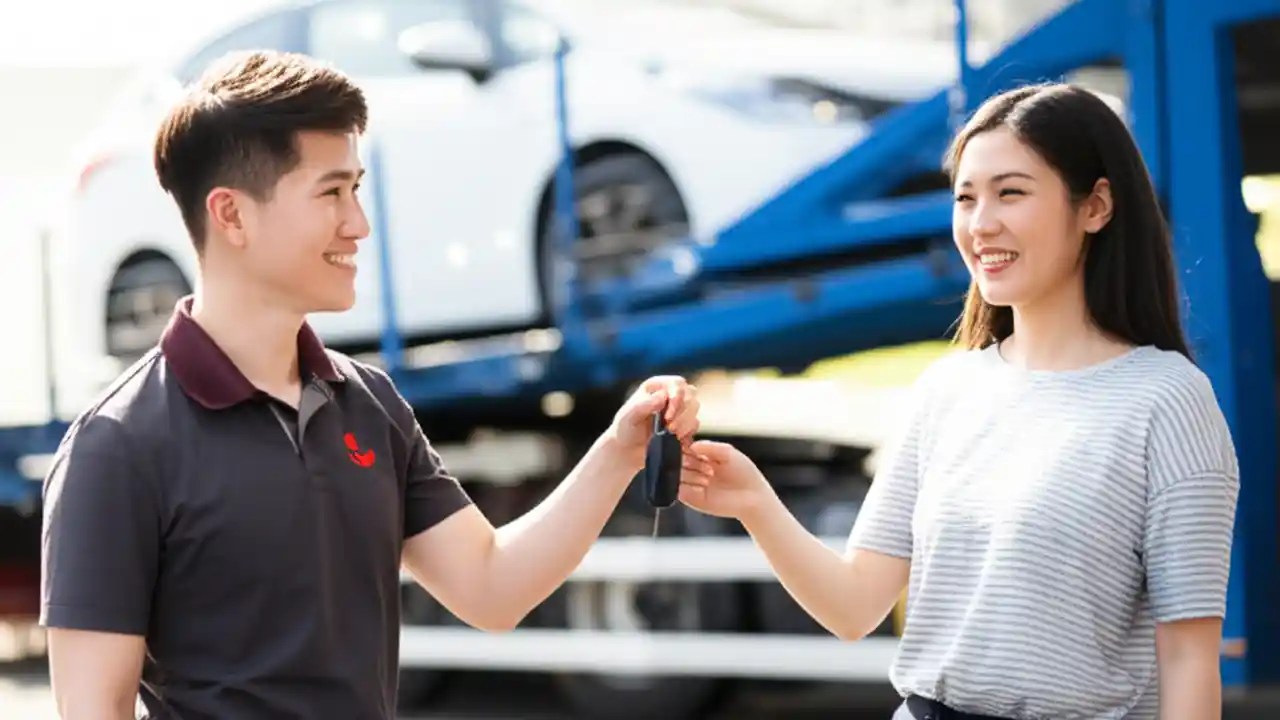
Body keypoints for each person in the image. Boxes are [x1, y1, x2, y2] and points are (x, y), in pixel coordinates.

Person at [39, 50, 702, 720]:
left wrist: (618, 450)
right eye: (331, 193)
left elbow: (493, 588)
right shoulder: (118, 446)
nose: (357, 223)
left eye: (355, 189)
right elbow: (93, 710)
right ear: (231, 215)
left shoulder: (371, 406)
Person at [679, 83, 1239, 719]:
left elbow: (1190, 659)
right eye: (965, 198)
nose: (981, 224)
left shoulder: (1166, 400)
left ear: (1096, 206)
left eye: (1012, 193)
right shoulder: (948, 390)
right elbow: (856, 604)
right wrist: (755, 501)